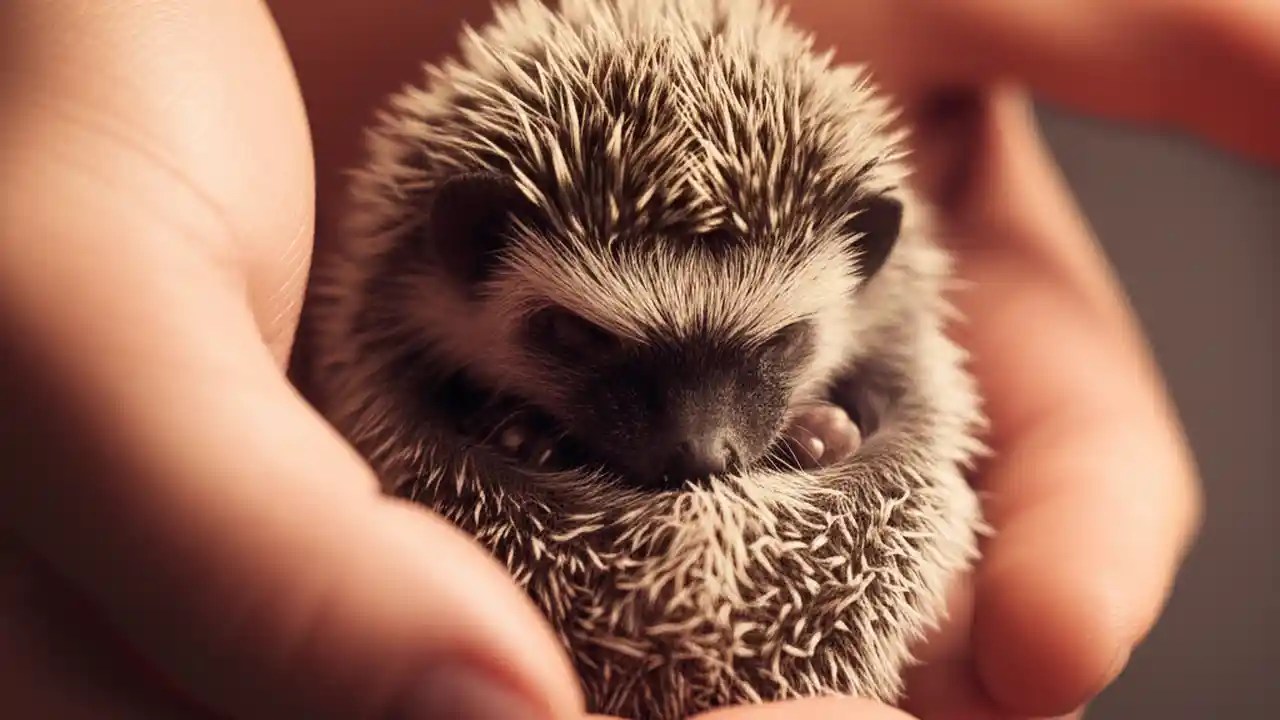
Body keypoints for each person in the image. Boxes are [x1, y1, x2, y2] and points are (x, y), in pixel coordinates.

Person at [5, 1, 1272, 717]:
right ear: (465, 258)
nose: (704, 441)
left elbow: (904, 409)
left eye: (771, 352)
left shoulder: (875, 283)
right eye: (582, 341)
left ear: (860, 263)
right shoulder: (402, 296)